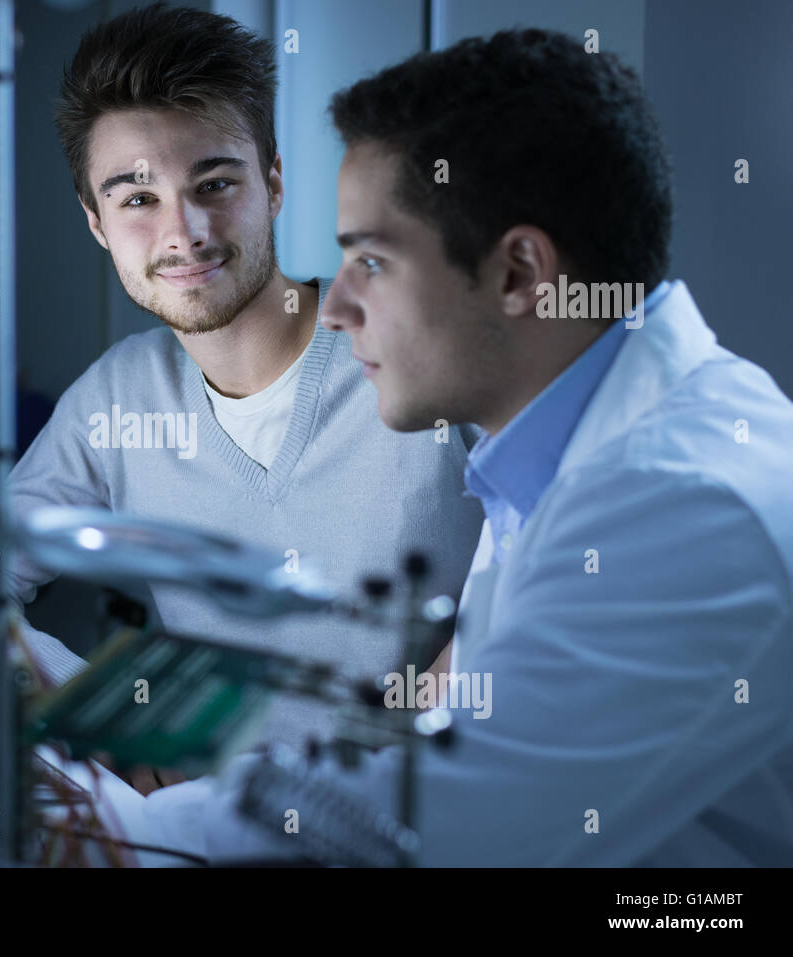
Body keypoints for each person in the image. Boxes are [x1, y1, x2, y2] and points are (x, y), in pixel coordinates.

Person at [143, 28, 793, 864]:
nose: (334, 307)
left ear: (521, 273)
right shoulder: (561, 445)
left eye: (370, 261)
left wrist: (110, 827)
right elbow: (439, 757)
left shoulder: (681, 497)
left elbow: (441, 833)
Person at [0, 3, 484, 775]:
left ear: (273, 183)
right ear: (96, 223)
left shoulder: (418, 352)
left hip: (416, 814)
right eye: (138, 199)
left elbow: (553, 571)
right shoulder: (120, 398)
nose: (183, 233)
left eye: (214, 183)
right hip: (202, 828)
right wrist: (90, 706)